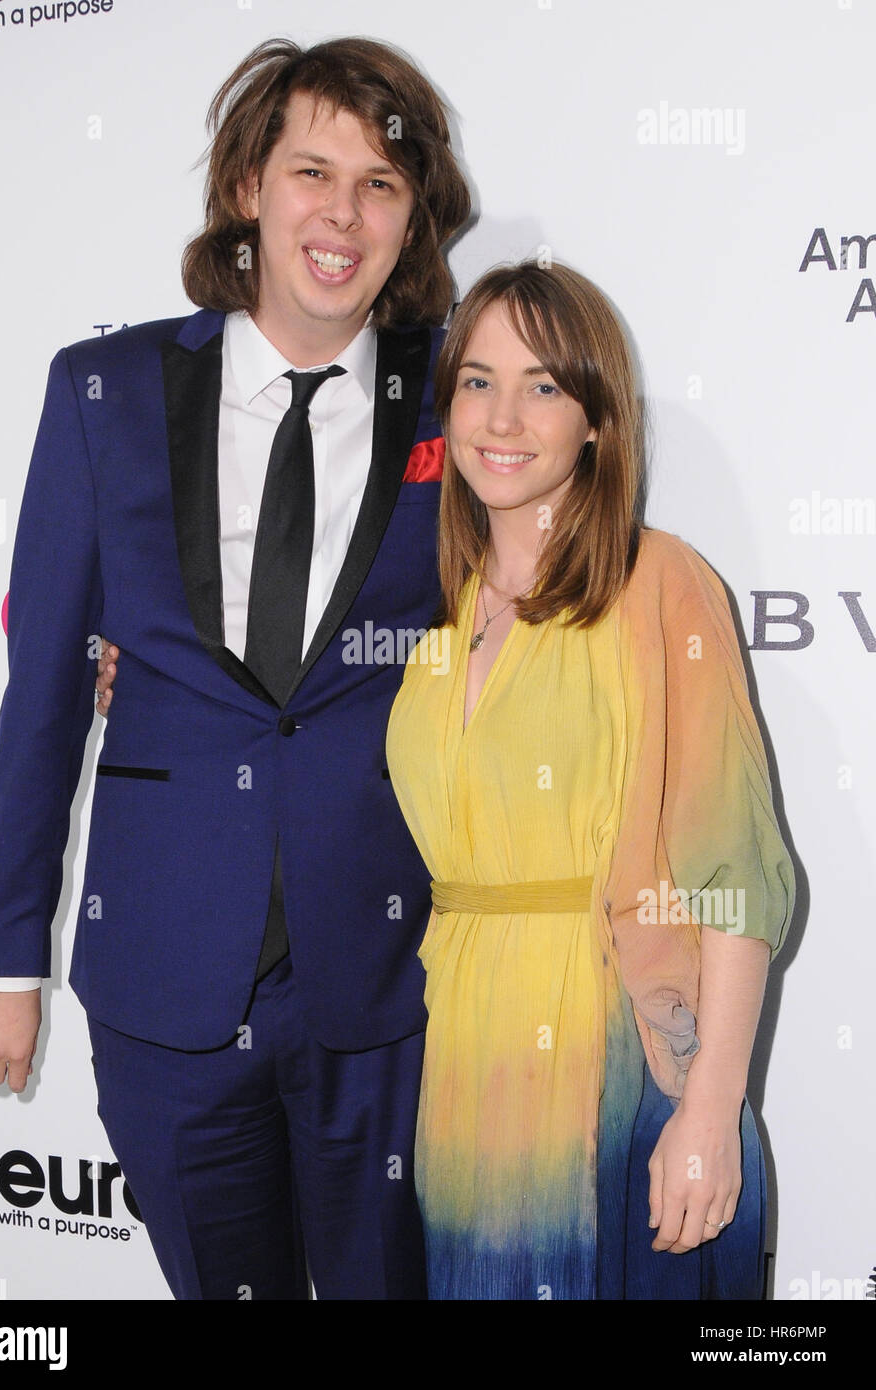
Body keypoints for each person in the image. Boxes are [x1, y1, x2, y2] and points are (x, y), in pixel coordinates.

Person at [0, 37, 470, 1300]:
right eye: (312, 171)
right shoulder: (103, 392)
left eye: (381, 186)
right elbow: (43, 701)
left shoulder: (463, 402)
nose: (342, 214)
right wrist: (5, 961)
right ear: (249, 187)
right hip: (165, 980)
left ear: (412, 221)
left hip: (389, 986)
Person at [383, 260, 796, 1299]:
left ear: (599, 421)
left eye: (544, 386)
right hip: (454, 1071)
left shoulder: (661, 583)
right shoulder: (432, 607)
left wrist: (711, 1107)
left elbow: (735, 873)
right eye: (477, 381)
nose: (503, 416)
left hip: (624, 1061)